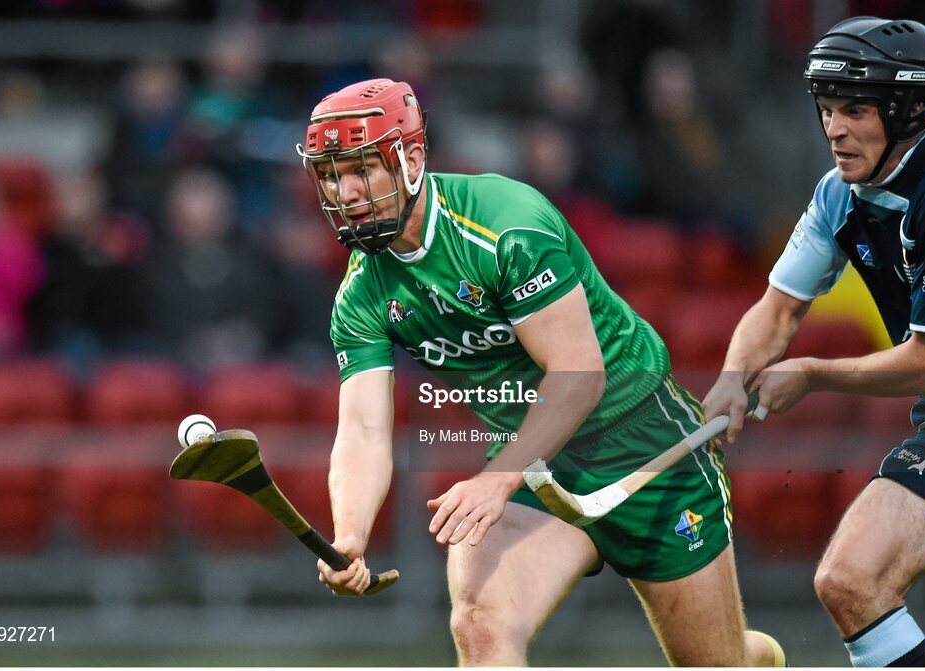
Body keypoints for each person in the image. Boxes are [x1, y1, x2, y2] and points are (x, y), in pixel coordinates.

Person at [298, 78, 785, 666]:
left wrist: (499, 477)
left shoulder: (505, 225)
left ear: (413, 159)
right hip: (535, 468)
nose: (344, 192)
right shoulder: (360, 295)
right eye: (330, 175)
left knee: (718, 665)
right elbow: (364, 431)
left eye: (361, 169)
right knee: (481, 623)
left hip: (645, 445)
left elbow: (579, 375)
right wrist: (349, 533)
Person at [703, 17, 925, 667]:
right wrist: (734, 374)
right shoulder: (837, 196)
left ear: (907, 110)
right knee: (849, 580)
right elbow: (778, 309)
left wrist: (813, 374)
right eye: (825, 109)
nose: (833, 129)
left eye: (853, 109)